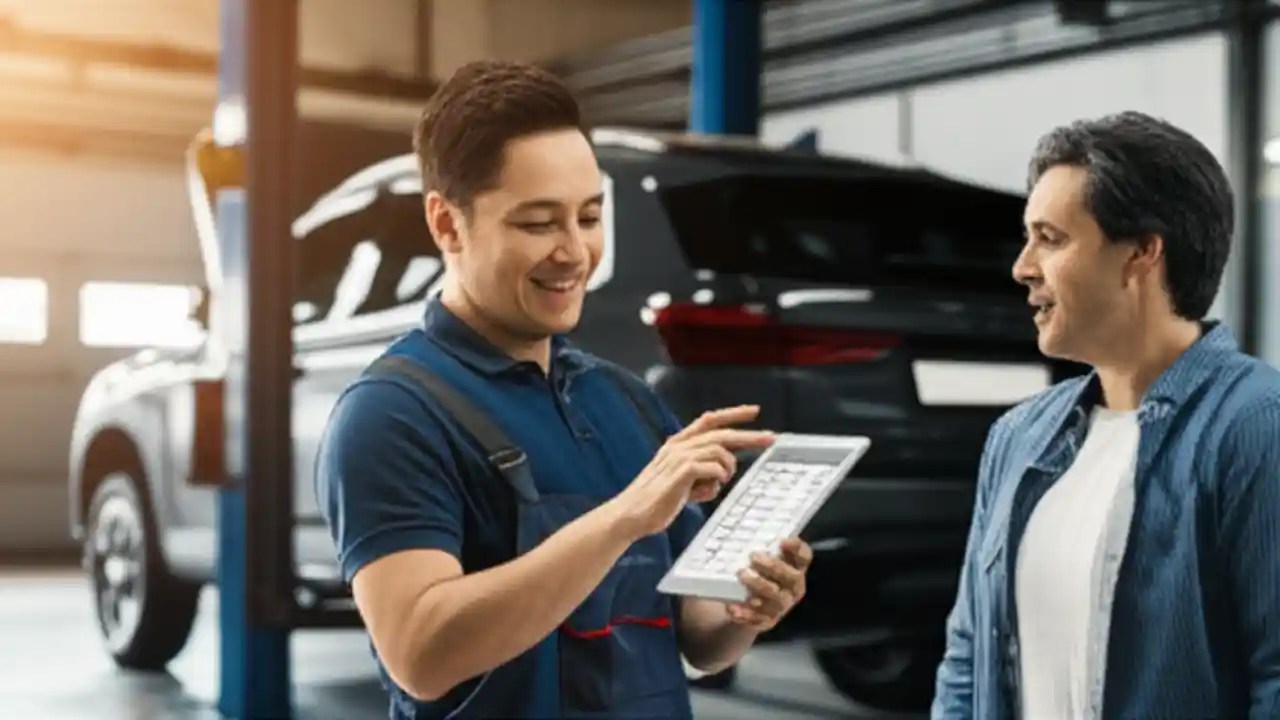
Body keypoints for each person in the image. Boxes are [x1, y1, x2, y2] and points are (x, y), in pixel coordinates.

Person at [313, 59, 814, 719]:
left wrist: (745, 607)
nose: (575, 252)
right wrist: (624, 517)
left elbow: (696, 639)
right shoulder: (394, 414)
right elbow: (421, 653)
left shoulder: (625, 402)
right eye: (538, 223)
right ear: (445, 224)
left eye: (588, 216)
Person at [931, 110, 1280, 720]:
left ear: (1142, 253)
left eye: (1052, 238)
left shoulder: (1255, 428)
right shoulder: (1017, 439)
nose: (1022, 267)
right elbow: (968, 656)